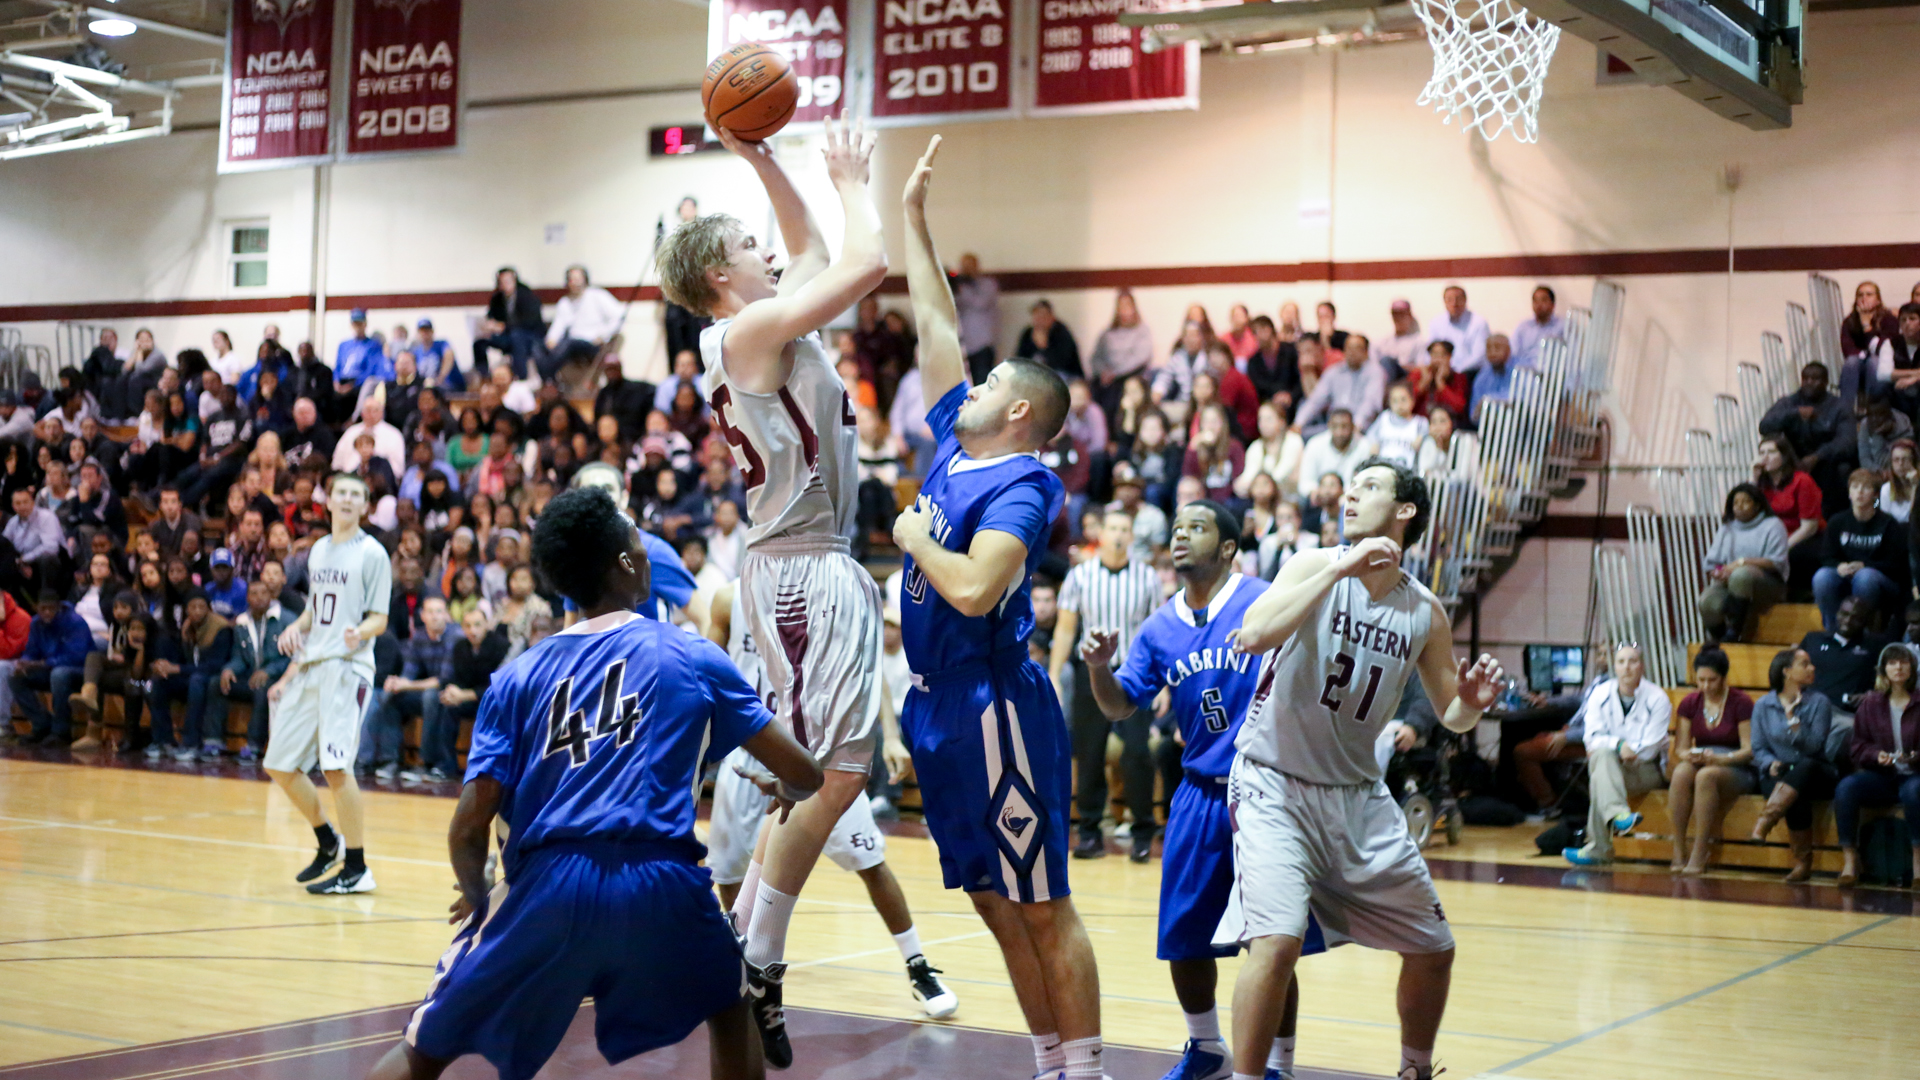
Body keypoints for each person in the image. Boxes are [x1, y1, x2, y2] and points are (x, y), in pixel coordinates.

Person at [363, 486, 825, 1080]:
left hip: (546, 886)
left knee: (422, 1051)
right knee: (732, 1008)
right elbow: (807, 773)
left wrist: (479, 893)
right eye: (640, 544)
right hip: (665, 882)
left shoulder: (515, 677)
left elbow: (468, 825)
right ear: (628, 565)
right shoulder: (692, 655)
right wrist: (786, 787)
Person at [654, 117, 888, 1068]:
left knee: (827, 771)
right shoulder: (745, 329)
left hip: (807, 559)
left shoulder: (761, 318)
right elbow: (861, 261)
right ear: (720, 275)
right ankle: (758, 955)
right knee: (830, 775)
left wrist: (760, 159)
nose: (767, 251)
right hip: (798, 566)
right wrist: (848, 176)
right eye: (747, 245)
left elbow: (815, 252)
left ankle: (744, 939)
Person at [892, 137, 1105, 1080]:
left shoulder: (1025, 481)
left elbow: (975, 585)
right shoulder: (957, 451)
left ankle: (1088, 1070)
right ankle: (1050, 1061)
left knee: (1040, 903)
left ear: (1019, 412)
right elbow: (936, 320)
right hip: (936, 704)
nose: (966, 386)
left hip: (994, 708)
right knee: (988, 900)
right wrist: (913, 218)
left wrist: (907, 539)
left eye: (987, 386)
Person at [1219, 456, 1504, 1080]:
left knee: (1434, 948)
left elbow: (1450, 712)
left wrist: (1472, 704)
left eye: (1370, 486)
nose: (1350, 494)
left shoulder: (1424, 612)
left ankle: (1415, 1070)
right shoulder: (1315, 563)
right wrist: (1339, 569)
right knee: (1277, 942)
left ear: (1405, 512)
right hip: (1273, 782)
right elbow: (1254, 633)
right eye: (1350, 485)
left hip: (1356, 795)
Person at [1080, 501, 1327, 1080]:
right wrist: (1098, 667)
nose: (1181, 536)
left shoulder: (1265, 597)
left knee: (1271, 944)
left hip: (1267, 791)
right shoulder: (1159, 626)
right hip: (1196, 793)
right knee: (1184, 934)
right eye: (1175, 529)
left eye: (1197, 527)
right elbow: (1120, 705)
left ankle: (1279, 1066)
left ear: (1228, 548)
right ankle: (1206, 1047)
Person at [704, 581, 959, 1019]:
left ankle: (918, 965)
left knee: (871, 864)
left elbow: (865, 671)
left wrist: (891, 736)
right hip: (748, 755)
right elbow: (704, 675)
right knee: (727, 872)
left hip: (816, 755)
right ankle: (745, 963)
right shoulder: (730, 598)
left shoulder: (826, 591)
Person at [264, 473, 394, 895]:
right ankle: (328, 841)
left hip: (347, 666)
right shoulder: (318, 550)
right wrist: (296, 629)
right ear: (330, 501)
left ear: (365, 506)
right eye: (342, 492)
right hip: (312, 663)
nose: (348, 499)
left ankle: (357, 868)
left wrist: (361, 631)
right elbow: (314, 611)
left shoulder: (373, 553)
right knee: (279, 763)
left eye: (357, 494)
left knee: (337, 767)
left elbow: (380, 617)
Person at [1050, 506, 1161, 861]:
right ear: (1101, 534)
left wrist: (1165, 685)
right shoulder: (1080, 576)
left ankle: (1143, 831)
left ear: (1131, 536)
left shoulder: (1148, 577)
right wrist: (1054, 675)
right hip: (1092, 672)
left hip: (1135, 671)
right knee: (1090, 754)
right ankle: (1090, 833)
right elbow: (1066, 628)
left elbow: (1157, 633)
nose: (1117, 534)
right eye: (1112, 528)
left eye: (1124, 529)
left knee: (1137, 753)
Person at [1562, 644, 1674, 866]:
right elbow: (1591, 738)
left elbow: (1650, 747)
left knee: (1600, 769)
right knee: (1601, 759)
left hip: (1646, 770)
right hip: (1612, 766)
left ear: (1642, 666)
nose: (1627, 668)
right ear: (1615, 667)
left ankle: (1598, 849)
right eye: (1621, 662)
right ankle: (1619, 815)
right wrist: (1619, 744)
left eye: (1633, 661)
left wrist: (1623, 750)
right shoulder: (1600, 694)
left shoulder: (1658, 698)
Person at [1834, 642, 1920, 886]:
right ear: (1883, 670)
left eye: (1903, 662)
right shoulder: (1871, 704)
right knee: (1846, 788)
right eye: (1892, 663)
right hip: (1883, 774)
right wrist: (1876, 755)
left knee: (1914, 792)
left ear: (1913, 668)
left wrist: (1915, 756)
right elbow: (1858, 746)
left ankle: (1918, 864)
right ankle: (1851, 861)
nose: (1898, 667)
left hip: (1915, 773)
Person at [1748, 647, 1837, 882]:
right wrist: (1769, 763)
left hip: (1816, 771)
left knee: (1804, 769)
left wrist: (1792, 720)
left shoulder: (1819, 702)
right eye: (1805, 664)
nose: (1812, 668)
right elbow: (1757, 748)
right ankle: (1802, 863)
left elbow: (1816, 747)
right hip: (1780, 772)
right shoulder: (1763, 705)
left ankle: (1766, 820)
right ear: (1787, 671)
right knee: (1793, 789)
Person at [1667, 647, 1757, 874]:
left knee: (1706, 776)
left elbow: (1749, 750)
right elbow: (1681, 748)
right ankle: (1678, 847)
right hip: (1704, 759)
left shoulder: (1741, 702)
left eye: (1712, 680)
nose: (1706, 686)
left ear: (1724, 678)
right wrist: (1689, 755)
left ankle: (1700, 850)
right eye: (1701, 680)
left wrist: (1721, 758)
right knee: (1681, 772)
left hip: (1735, 764)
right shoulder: (1689, 703)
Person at [1813, 468, 1908, 630]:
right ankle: (1833, 631)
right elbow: (1827, 556)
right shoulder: (1837, 521)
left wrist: (1865, 565)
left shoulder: (1888, 524)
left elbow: (1895, 565)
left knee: (1865, 577)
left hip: (1880, 579)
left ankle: (1863, 632)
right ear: (1849, 493)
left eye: (1865, 487)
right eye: (1855, 487)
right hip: (1846, 574)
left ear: (1875, 494)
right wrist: (1839, 566)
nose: (1859, 492)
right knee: (1822, 577)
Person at [1697, 482, 1790, 643]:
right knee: (1706, 601)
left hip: (1768, 584)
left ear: (1757, 505)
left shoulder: (1773, 525)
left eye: (1745, 501)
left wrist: (1742, 562)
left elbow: (1776, 562)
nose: (1739, 506)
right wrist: (1720, 571)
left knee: (1740, 575)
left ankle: (1735, 631)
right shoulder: (1726, 528)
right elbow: (1714, 563)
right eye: (1735, 503)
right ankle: (1720, 640)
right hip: (1729, 582)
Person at [6, 591, 92, 748]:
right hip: (49, 669)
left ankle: (61, 732)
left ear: (59, 607)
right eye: (42, 609)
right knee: (15, 676)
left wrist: (42, 664)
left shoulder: (75, 622)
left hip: (78, 671)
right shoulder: (36, 623)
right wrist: (24, 663)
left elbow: (76, 657)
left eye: (50, 609)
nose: (46, 613)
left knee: (59, 675)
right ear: (37, 608)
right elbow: (31, 652)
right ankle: (41, 725)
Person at [220, 578, 292, 764]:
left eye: (263, 593)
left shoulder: (286, 620)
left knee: (263, 690)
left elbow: (293, 658)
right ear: (247, 598)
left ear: (271, 596)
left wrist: (268, 671)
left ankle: (254, 745)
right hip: (252, 676)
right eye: (254, 593)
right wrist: (229, 669)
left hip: (280, 678)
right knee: (216, 684)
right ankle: (213, 742)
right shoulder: (242, 622)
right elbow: (239, 656)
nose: (259, 597)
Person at [1753, 434, 1825, 593]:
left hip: (1805, 537)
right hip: (1774, 538)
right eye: (1761, 453)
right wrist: (1753, 477)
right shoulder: (1762, 485)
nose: (1765, 457)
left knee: (1794, 556)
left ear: (1784, 456)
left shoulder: (1802, 480)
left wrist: (1783, 546)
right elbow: (1749, 513)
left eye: (1771, 452)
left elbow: (1809, 527)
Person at [541, 265, 623, 382]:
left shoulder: (597, 295)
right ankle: (548, 379)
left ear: (585, 280)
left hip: (592, 344)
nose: (574, 282)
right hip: (571, 345)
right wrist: (551, 339)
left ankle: (547, 378)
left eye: (577, 279)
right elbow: (558, 325)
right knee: (538, 346)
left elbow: (619, 317)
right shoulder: (565, 302)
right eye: (571, 279)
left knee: (569, 343)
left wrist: (603, 335)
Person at [1294, 333, 1385, 435]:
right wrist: (1298, 424)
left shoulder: (1374, 372)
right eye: (1348, 348)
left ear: (1366, 352)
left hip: (1361, 429)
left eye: (1357, 348)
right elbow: (1316, 400)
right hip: (1333, 427)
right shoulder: (1334, 372)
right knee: (1301, 436)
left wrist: (1356, 426)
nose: (1352, 352)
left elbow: (1370, 404)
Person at [475, 267, 547, 380]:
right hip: (507, 336)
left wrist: (504, 326)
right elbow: (491, 316)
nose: (505, 285)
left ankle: (521, 377)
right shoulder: (497, 298)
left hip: (529, 336)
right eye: (502, 282)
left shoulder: (527, 296)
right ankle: (484, 376)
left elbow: (530, 321)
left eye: (508, 281)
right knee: (479, 343)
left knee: (517, 336)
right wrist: (488, 325)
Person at [1293, 409, 1374, 502]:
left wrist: (1341, 495)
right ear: (1329, 426)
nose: (1339, 432)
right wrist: (1316, 492)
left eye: (1344, 427)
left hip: (1350, 500)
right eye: (1335, 426)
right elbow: (1305, 482)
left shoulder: (1363, 446)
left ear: (1353, 427)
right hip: (1320, 500)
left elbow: (1363, 483)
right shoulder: (1315, 444)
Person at [953, 252, 1001, 386]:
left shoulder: (988, 284)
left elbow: (981, 302)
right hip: (963, 344)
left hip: (982, 343)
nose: (966, 269)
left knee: (983, 383)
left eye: (969, 266)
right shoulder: (957, 285)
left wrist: (963, 288)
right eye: (963, 266)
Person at [1425, 284, 1488, 373]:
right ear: (1444, 302)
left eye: (1458, 299)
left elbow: (1479, 356)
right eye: (1449, 300)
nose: (1454, 304)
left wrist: (1456, 371)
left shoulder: (1478, 323)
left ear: (1465, 300)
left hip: (1469, 372)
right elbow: (1430, 352)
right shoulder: (1436, 323)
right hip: (1442, 371)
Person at [1016, 298, 1082, 379]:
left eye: (1043, 315)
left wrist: (1043, 347)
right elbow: (1019, 361)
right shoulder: (1027, 333)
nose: (1040, 319)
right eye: (1036, 315)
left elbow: (1063, 364)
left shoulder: (1062, 333)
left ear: (1051, 317)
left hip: (1063, 376)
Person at [1511, 285, 1566, 368]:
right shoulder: (1523, 327)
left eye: (1543, 300)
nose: (1539, 305)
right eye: (1535, 301)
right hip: (1526, 373)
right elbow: (1514, 353)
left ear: (1553, 304)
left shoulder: (1562, 326)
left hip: (1552, 373)